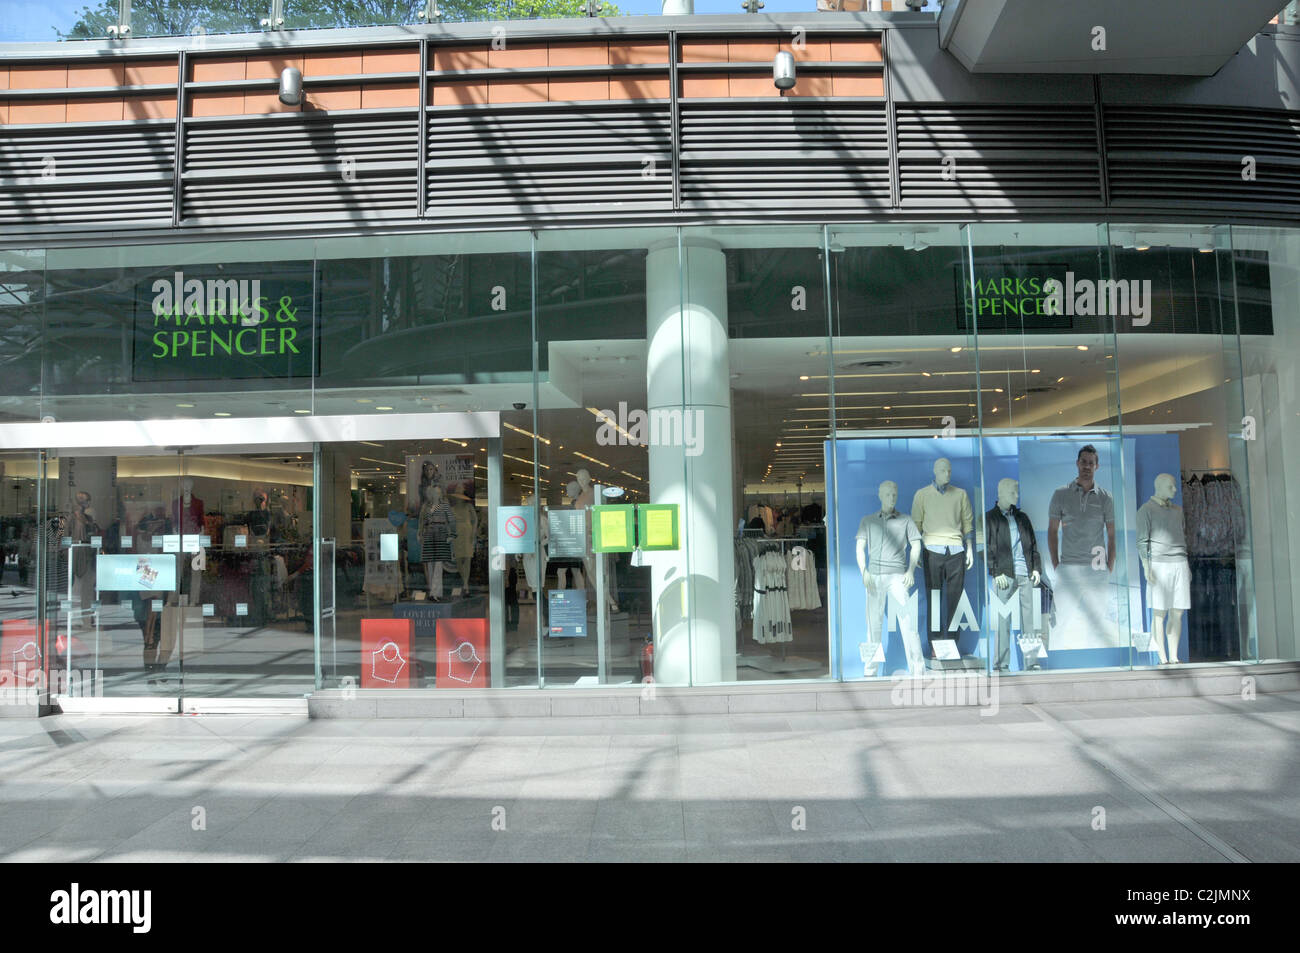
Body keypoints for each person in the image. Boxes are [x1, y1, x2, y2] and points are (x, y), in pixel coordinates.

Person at [1047, 444, 1117, 648]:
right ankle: (1056, 665)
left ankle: (1095, 670)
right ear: (1077, 464)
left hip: (1096, 569)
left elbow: (1112, 535)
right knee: (1059, 621)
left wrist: (1108, 568)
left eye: (1091, 463)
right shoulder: (1060, 494)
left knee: (1096, 623)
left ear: (1097, 466)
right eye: (1083, 462)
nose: (1087, 466)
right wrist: (1057, 565)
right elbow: (1052, 532)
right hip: (1068, 568)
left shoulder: (1106, 497)